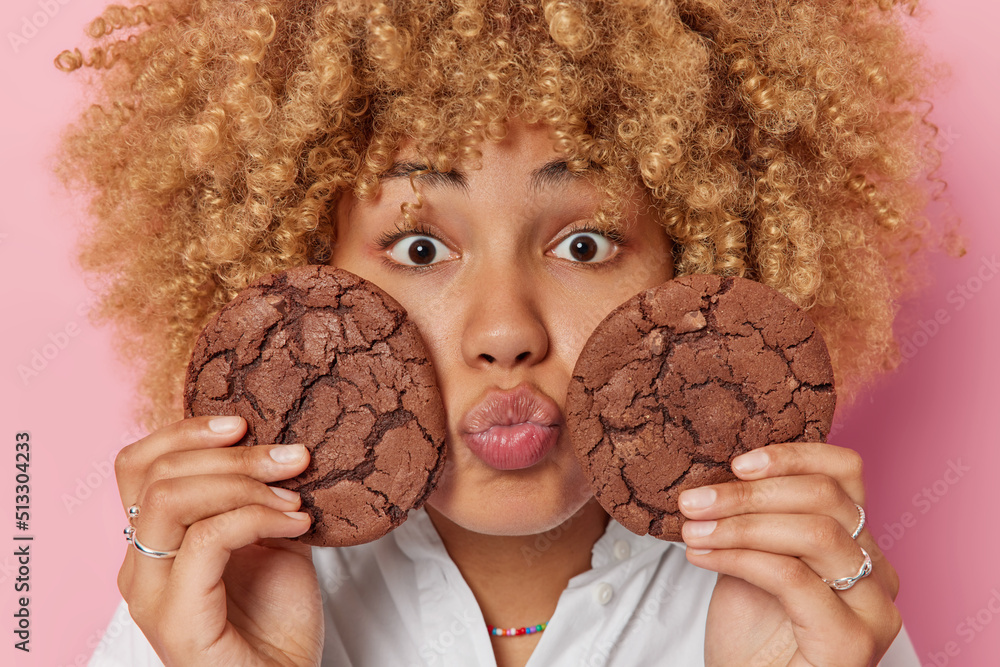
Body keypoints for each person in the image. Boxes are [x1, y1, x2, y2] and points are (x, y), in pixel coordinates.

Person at [54, 1, 954, 665]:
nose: (504, 332)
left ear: (695, 268)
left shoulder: (811, 617)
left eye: (584, 242)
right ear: (305, 279)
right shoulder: (201, 616)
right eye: (418, 244)